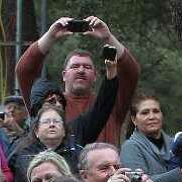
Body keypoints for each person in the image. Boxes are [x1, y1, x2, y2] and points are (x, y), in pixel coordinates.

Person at [16, 15, 139, 145]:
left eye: (87, 67)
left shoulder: (112, 104)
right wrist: (50, 36)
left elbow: (130, 72)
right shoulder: (47, 104)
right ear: (64, 75)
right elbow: (24, 71)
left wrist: (108, 37)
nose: (81, 70)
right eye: (75, 66)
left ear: (95, 76)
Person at [7, 104, 81, 182]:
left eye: (56, 121)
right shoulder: (24, 153)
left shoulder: (76, 152)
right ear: (36, 131)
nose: (52, 125)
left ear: (64, 131)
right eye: (46, 122)